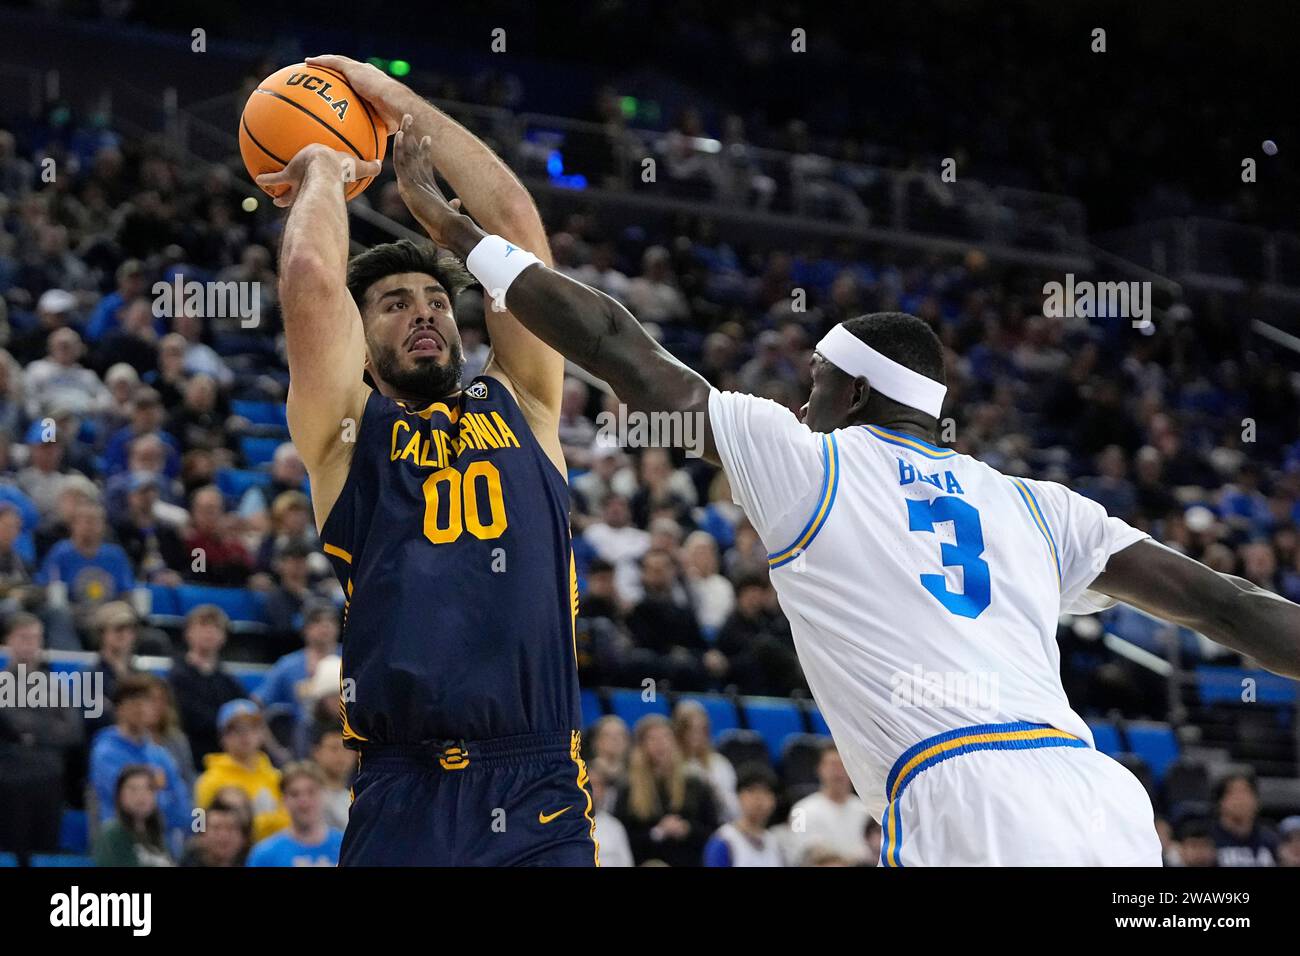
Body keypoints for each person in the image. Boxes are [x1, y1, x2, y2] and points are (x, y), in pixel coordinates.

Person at [393, 159, 1300, 865]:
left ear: (856, 396)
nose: (797, 400)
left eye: (815, 383)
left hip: (963, 792)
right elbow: (1229, 605)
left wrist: (467, 239)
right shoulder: (1038, 505)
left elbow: (620, 351)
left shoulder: (808, 463)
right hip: (1100, 791)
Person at [256, 53, 592, 866]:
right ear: (361, 344)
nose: (425, 313)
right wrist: (324, 170)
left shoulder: (525, 402)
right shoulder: (345, 432)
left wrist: (395, 104)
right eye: (395, 303)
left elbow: (513, 218)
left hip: (535, 781)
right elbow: (308, 273)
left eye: (438, 299)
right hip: (400, 791)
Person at [0, 613, 84, 863]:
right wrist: (46, 729)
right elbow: (10, 723)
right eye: (23, 637)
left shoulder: (55, 685)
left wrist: (30, 735)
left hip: (49, 779)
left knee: (46, 852)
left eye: (36, 638)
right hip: (9, 780)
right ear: (9, 641)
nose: (30, 644)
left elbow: (73, 731)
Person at [87, 674, 191, 850]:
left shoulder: (160, 754)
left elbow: (183, 809)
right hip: (121, 847)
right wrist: (156, 788)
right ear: (119, 708)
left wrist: (154, 793)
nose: (141, 708)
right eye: (134, 702)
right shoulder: (105, 752)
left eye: (147, 702)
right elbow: (131, 806)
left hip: (162, 847)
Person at [613, 714, 717, 866]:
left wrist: (687, 829)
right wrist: (657, 833)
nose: (660, 744)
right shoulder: (628, 787)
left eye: (665, 737)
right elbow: (621, 837)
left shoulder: (694, 783)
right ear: (641, 745)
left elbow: (713, 830)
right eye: (652, 738)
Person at [193, 699, 289, 843]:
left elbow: (289, 821)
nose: (246, 735)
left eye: (252, 728)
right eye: (236, 729)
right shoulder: (208, 782)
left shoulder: (275, 776)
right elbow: (198, 827)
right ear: (223, 737)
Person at [168, 604, 244, 760]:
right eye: (203, 625)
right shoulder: (178, 676)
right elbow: (189, 718)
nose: (209, 632)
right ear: (188, 633)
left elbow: (245, 708)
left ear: (224, 636)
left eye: (216, 627)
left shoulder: (227, 679)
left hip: (228, 755)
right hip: (193, 755)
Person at [786, 743, 871, 865]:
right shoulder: (800, 810)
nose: (838, 772)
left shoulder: (868, 811)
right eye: (832, 765)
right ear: (819, 769)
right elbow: (800, 851)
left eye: (843, 765)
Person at [246, 762, 344, 867]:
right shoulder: (265, 855)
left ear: (324, 795)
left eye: (311, 792)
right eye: (294, 794)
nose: (304, 801)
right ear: (283, 800)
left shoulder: (345, 846)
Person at [92, 765, 175, 867]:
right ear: (120, 795)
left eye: (149, 788)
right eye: (133, 789)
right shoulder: (112, 833)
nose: (141, 795)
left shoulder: (157, 834)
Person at [703, 765, 785, 867]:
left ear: (774, 801)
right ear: (738, 796)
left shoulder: (774, 844)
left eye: (766, 792)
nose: (759, 799)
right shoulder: (725, 841)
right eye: (752, 791)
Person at [673, 699, 738, 822]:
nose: (696, 736)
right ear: (679, 732)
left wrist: (715, 790)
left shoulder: (719, 764)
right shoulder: (671, 765)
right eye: (689, 729)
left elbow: (733, 811)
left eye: (701, 730)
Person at [1211, 773, 1279, 866]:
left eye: (1246, 792)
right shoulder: (1207, 840)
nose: (1241, 800)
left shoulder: (1271, 841)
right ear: (1220, 802)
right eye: (1233, 794)